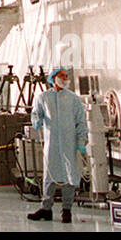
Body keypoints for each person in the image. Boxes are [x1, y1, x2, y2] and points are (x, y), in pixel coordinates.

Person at [27, 67, 88, 223]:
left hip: (70, 143)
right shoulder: (43, 97)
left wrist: (81, 141)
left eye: (66, 76)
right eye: (61, 76)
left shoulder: (73, 99)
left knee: (69, 176)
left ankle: (67, 209)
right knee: (49, 175)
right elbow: (36, 113)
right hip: (52, 142)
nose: (65, 78)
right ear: (53, 78)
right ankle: (46, 208)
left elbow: (81, 121)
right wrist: (36, 121)